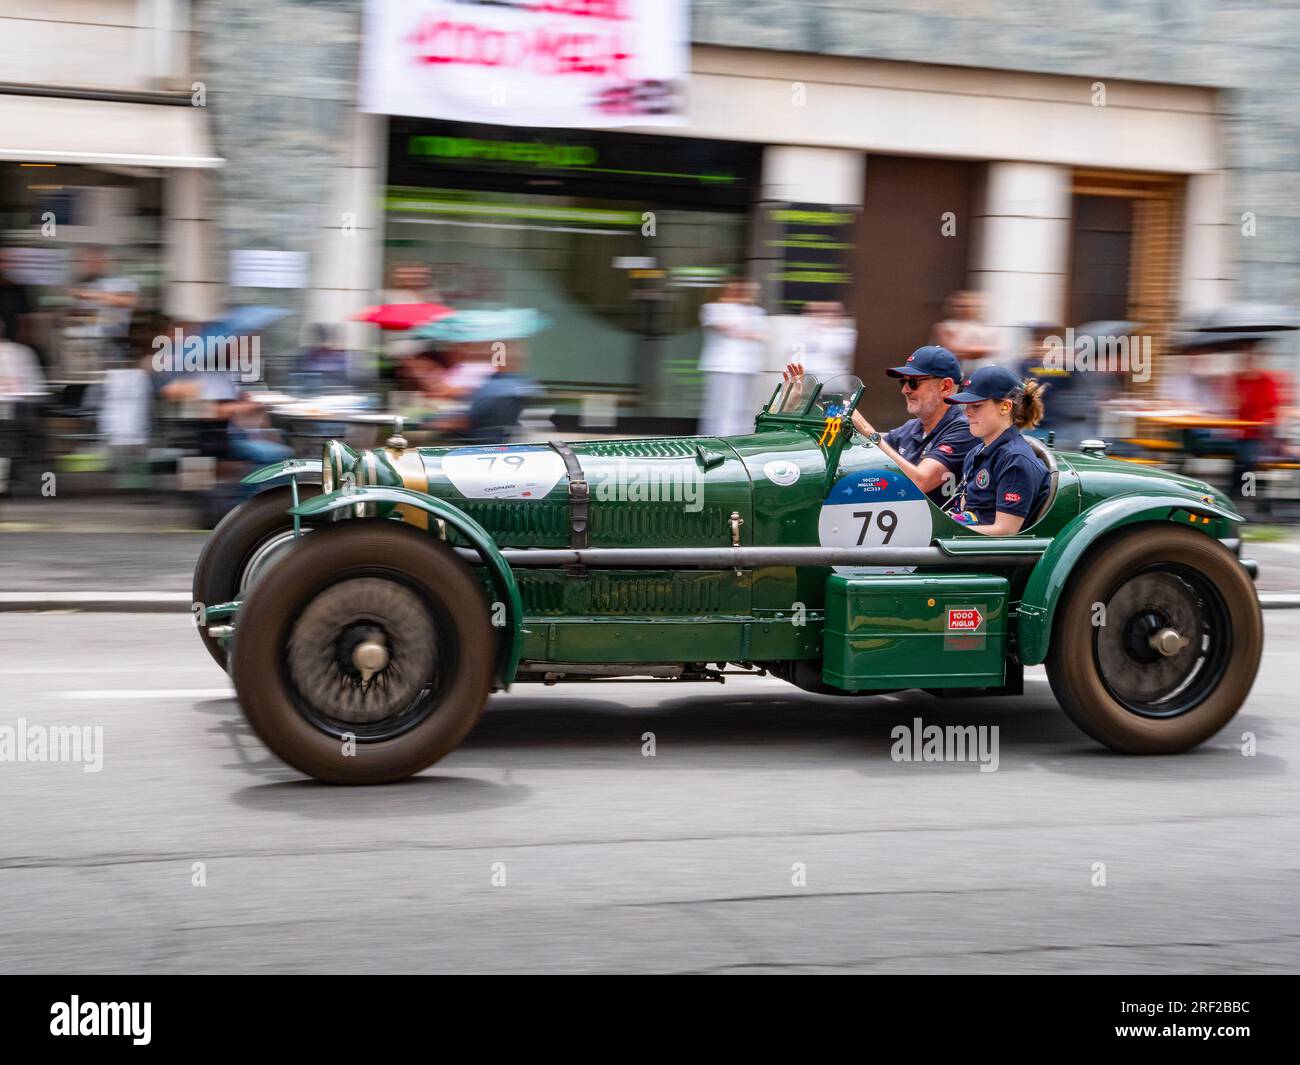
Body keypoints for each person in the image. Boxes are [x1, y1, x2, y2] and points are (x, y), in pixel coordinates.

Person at [833, 345, 977, 506]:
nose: (905, 390)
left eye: (913, 382)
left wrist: (867, 431)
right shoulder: (910, 428)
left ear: (945, 387)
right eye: (903, 382)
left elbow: (920, 482)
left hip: (940, 528)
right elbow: (869, 459)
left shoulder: (964, 429)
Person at [941, 365, 1050, 535]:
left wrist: (943, 532)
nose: (967, 413)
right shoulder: (975, 453)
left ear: (1005, 407)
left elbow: (1005, 530)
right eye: (966, 406)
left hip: (986, 555)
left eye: (976, 405)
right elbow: (964, 509)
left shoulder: (1015, 460)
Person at [698, 278, 767, 437]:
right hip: (723, 367)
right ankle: (717, 441)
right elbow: (723, 327)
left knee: (743, 410)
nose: (740, 293)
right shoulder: (712, 308)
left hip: (747, 367)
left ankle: (737, 441)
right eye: (735, 290)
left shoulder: (755, 311)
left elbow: (761, 335)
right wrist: (745, 331)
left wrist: (744, 331)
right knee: (722, 410)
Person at [69, 247, 138, 364]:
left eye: (96, 261)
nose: (92, 265)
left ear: (105, 262)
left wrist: (94, 296)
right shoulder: (83, 285)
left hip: (113, 343)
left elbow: (130, 301)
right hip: (87, 345)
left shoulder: (120, 283)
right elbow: (84, 318)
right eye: (88, 262)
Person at [932, 290, 1000, 375]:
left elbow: (998, 349)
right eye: (960, 306)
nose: (963, 310)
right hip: (956, 370)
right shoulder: (946, 326)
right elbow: (951, 350)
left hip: (983, 371)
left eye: (968, 306)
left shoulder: (986, 327)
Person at [797, 301, 857, 381]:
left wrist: (825, 331)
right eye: (815, 312)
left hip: (833, 377)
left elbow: (842, 349)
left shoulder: (844, 333)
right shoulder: (804, 331)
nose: (821, 316)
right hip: (809, 376)